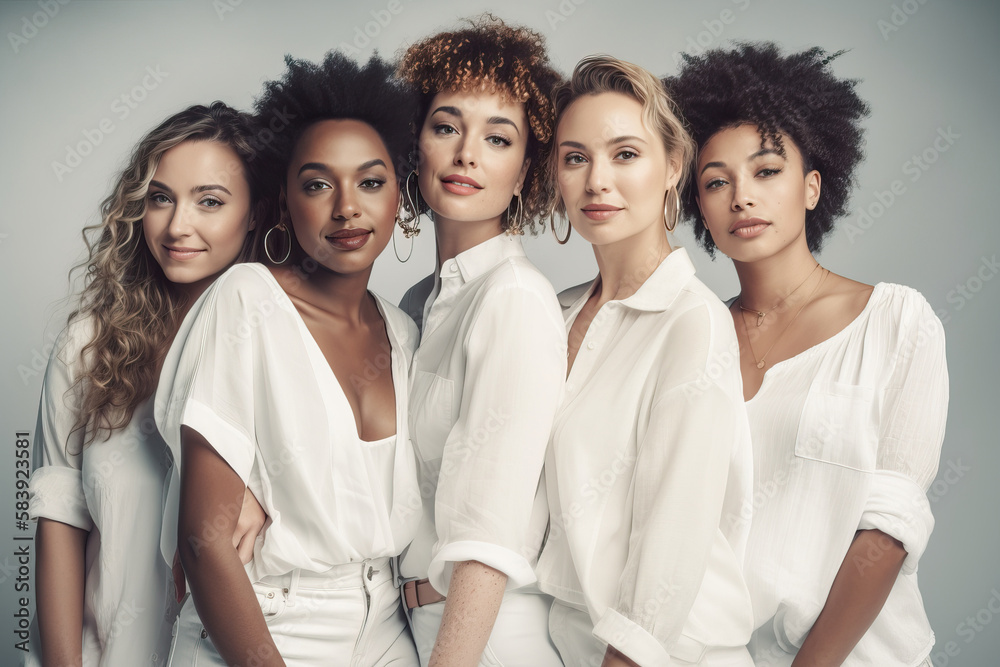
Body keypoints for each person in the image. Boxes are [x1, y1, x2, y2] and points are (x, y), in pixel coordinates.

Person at [666, 42, 948, 666]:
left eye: (766, 171)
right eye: (716, 182)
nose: (742, 196)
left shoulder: (896, 323)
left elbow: (889, 528)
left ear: (813, 186)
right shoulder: (692, 337)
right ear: (699, 210)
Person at [156, 52, 422, 666]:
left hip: (386, 625)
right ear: (284, 201)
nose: (347, 206)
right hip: (266, 624)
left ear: (399, 202)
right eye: (318, 183)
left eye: (371, 181)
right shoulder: (248, 301)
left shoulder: (405, 331)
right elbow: (203, 539)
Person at [27, 102, 270, 667]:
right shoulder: (90, 344)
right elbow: (58, 520)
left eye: (209, 201)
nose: (177, 225)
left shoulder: (279, 346)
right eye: (161, 198)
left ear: (256, 212)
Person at [535, 55, 755, 667]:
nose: (597, 181)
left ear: (672, 167)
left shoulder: (692, 321)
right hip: (565, 640)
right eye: (575, 157)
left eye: (625, 154)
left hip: (668, 653)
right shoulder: (552, 313)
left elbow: (675, 535)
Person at [394, 15, 567, 666]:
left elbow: (488, 536)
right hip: (412, 626)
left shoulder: (513, 301)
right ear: (417, 147)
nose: (467, 153)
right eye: (447, 126)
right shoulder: (419, 304)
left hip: (484, 641)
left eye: (498, 138)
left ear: (526, 171)